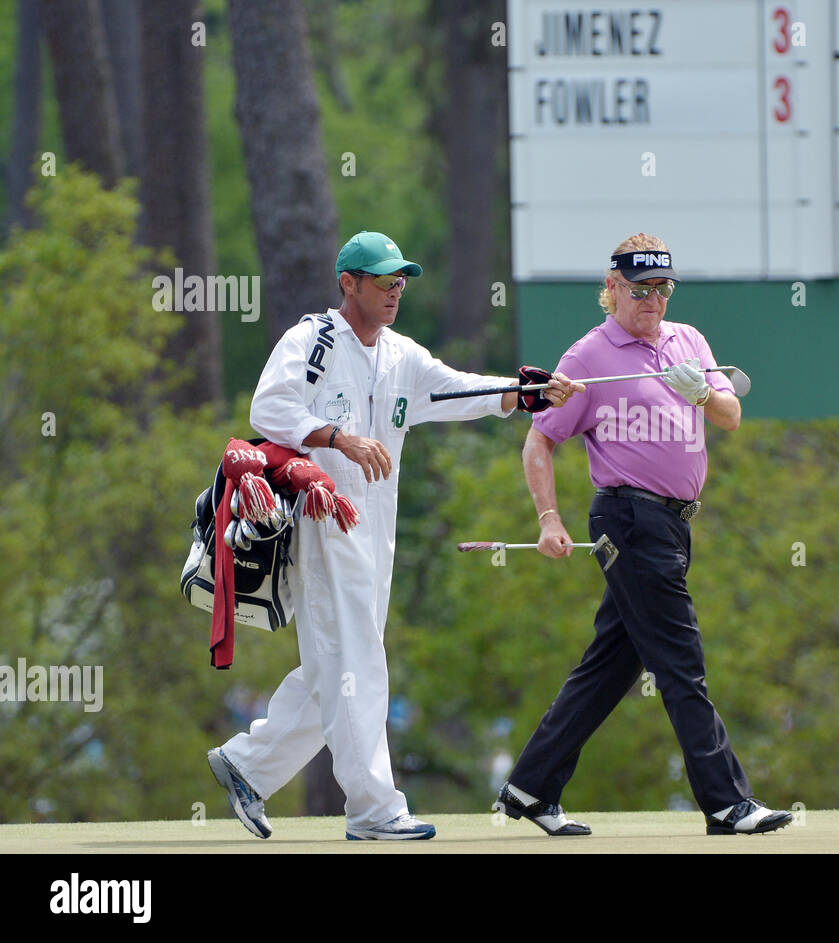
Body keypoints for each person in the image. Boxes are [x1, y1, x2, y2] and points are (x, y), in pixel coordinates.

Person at [207, 231, 583, 840]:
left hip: (376, 535)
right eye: (382, 282)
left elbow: (460, 389)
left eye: (400, 282)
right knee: (357, 660)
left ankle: (248, 764)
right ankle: (374, 809)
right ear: (347, 284)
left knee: (335, 662)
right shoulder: (313, 340)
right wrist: (339, 437)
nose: (394, 293)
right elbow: (267, 410)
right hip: (322, 524)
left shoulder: (403, 354)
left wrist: (526, 393)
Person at [494, 233, 792, 837]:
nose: (652, 300)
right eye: (639, 289)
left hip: (675, 524)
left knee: (610, 666)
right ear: (611, 290)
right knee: (682, 664)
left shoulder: (690, 341)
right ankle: (727, 803)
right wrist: (549, 519)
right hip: (628, 519)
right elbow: (540, 441)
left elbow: (731, 416)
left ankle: (529, 788)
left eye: (662, 288)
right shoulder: (588, 356)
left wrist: (702, 391)